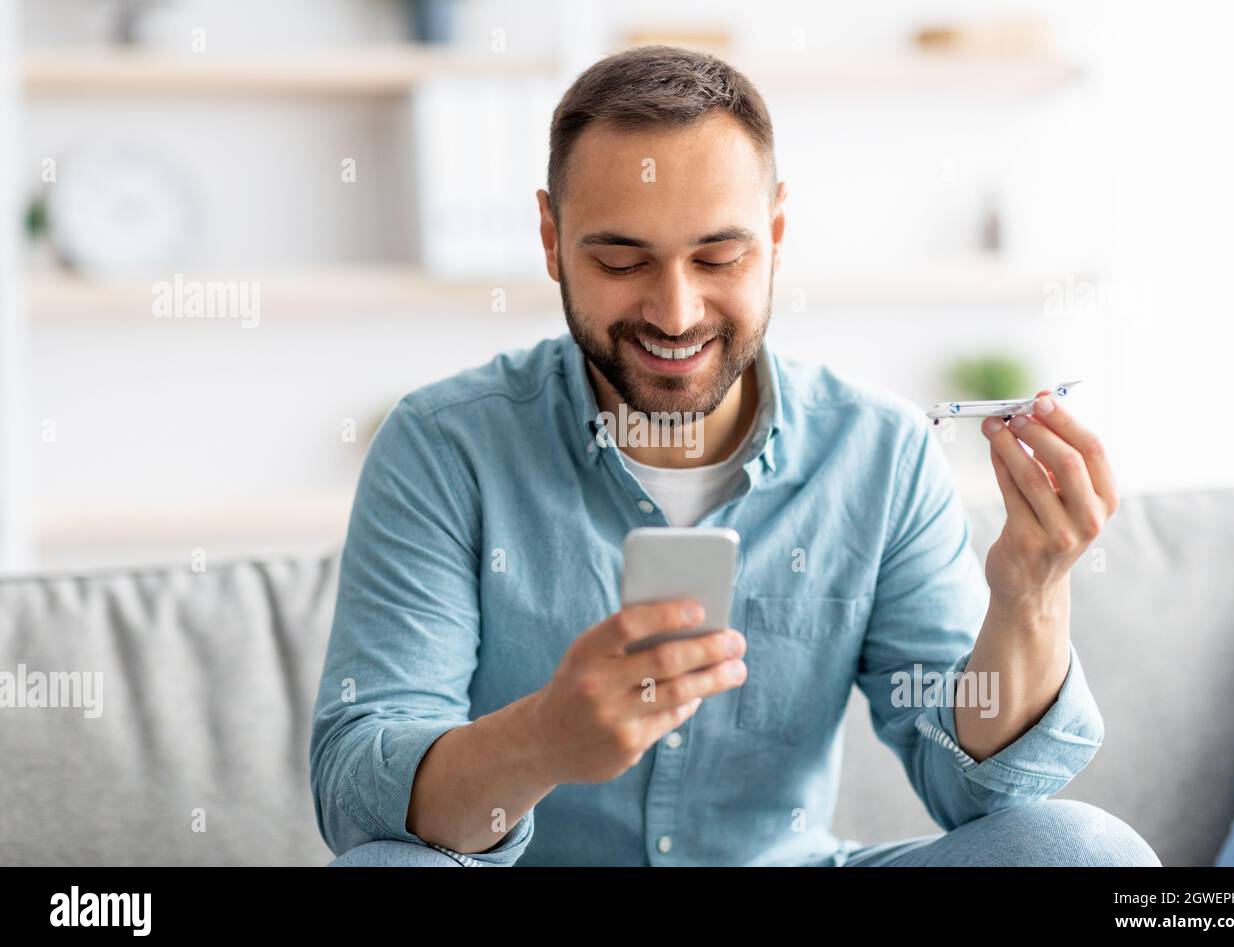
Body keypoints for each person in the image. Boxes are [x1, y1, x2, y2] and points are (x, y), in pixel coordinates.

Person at [309, 45, 1159, 867]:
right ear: (550, 236)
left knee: (1080, 853)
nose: (675, 314)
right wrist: (542, 739)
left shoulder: (880, 453)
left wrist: (1031, 594)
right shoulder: (444, 446)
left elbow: (972, 793)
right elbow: (358, 799)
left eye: (720, 256)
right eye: (620, 258)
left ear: (778, 233)